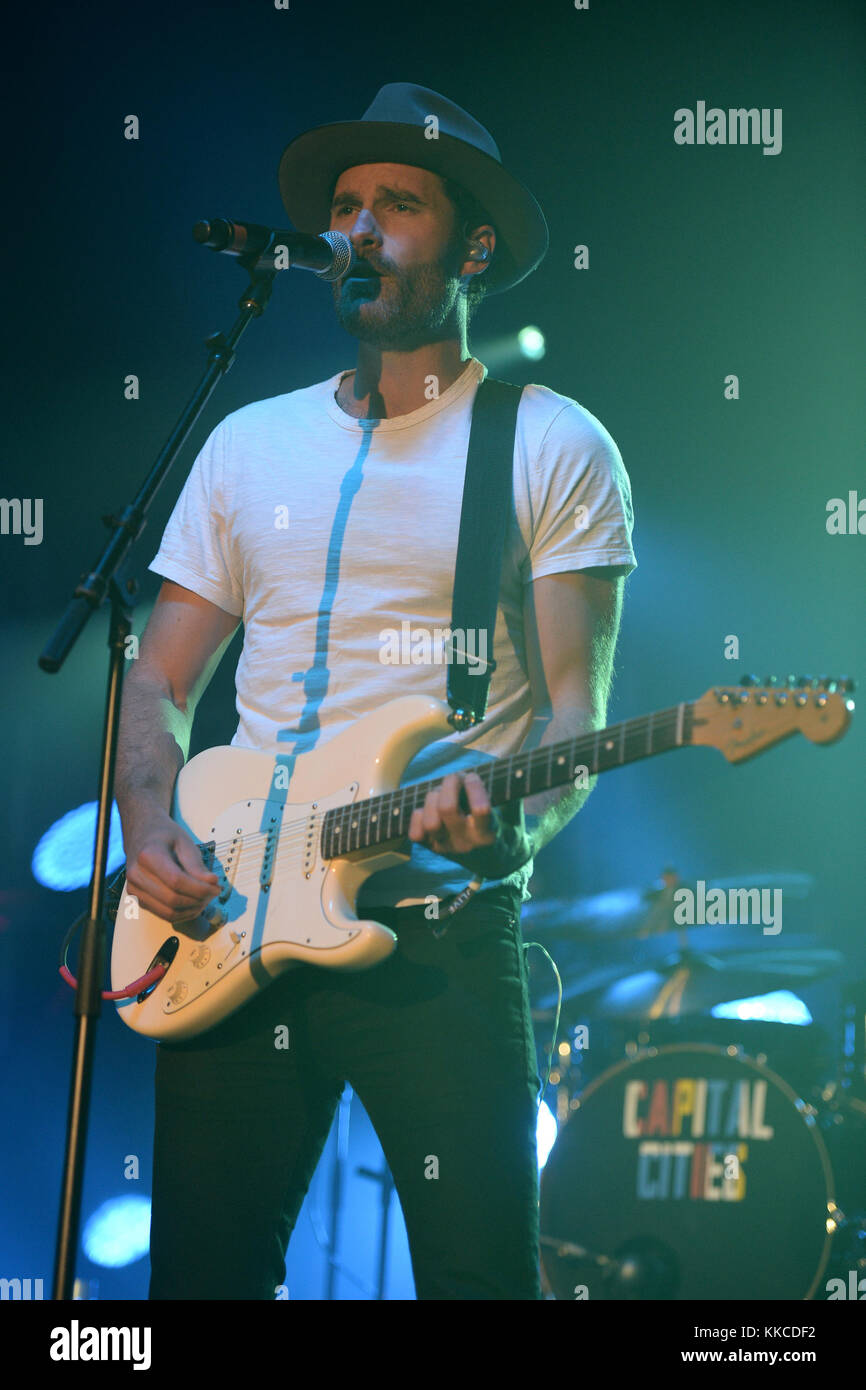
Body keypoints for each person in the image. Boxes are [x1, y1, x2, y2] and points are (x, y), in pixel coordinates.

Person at [115, 82, 637, 1300]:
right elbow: (159, 678)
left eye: (396, 204)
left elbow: (576, 721)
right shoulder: (248, 441)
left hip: (436, 938)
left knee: (476, 1282)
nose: (357, 227)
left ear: (474, 247)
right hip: (231, 918)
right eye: (344, 206)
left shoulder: (550, 442)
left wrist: (512, 824)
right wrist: (149, 826)